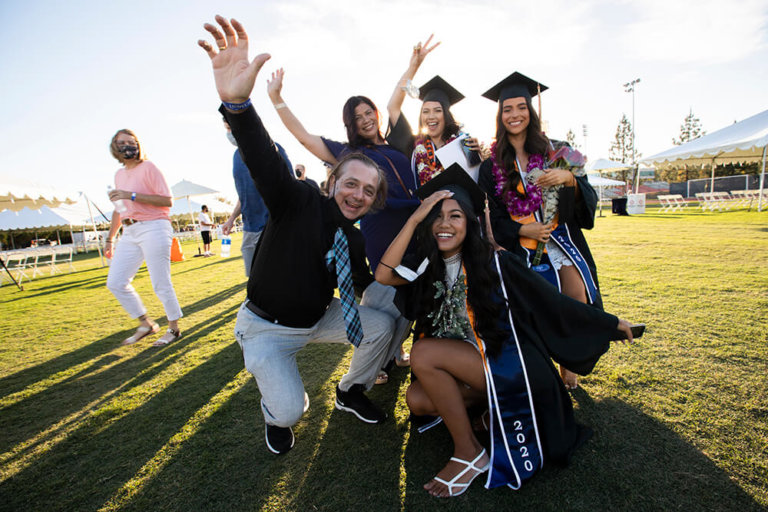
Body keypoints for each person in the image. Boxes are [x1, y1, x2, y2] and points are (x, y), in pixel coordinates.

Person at [198, 15, 399, 455]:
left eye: (368, 191)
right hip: (267, 327)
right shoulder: (298, 199)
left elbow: (367, 283)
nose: (357, 195)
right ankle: (278, 413)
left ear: (373, 201)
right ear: (332, 181)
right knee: (292, 411)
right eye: (351, 183)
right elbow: (265, 161)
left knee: (382, 324)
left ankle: (350, 391)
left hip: (319, 318)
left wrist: (414, 276)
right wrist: (239, 107)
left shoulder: (356, 237)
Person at [375, 165, 634, 497]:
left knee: (424, 353)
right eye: (436, 217)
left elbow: (553, 304)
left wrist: (610, 323)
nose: (444, 224)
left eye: (455, 216)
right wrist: (413, 219)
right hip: (468, 367)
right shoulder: (428, 268)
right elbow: (383, 274)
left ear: (470, 221)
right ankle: (487, 417)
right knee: (417, 399)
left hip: (511, 366)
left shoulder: (496, 263)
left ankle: (469, 452)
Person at [478, 72, 602, 390]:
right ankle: (541, 373)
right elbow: (488, 215)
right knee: (537, 310)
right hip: (522, 244)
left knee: (575, 302)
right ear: (500, 115)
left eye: (521, 107)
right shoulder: (491, 164)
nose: (515, 114)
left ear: (531, 112)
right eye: (508, 109)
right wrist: (523, 230)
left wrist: (569, 180)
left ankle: (569, 366)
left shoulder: (557, 151)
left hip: (561, 240)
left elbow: (588, 199)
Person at [105, 129, 183, 347]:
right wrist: (110, 238)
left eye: (132, 142)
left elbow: (168, 200)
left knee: (160, 282)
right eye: (122, 143)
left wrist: (131, 195)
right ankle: (145, 323)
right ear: (115, 147)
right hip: (130, 231)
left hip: (154, 226)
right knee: (116, 282)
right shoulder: (119, 175)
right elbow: (118, 209)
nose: (127, 146)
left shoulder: (149, 167)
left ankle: (173, 329)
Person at [386, 38, 484, 185]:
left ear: (445, 115)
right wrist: (414, 66)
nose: (431, 116)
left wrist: (480, 158)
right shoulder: (412, 144)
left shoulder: (462, 143)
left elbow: (477, 182)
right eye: (425, 111)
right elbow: (393, 107)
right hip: (423, 207)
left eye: (437, 110)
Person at [220, 117, 272, 276]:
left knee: (278, 276)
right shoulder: (237, 157)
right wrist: (231, 219)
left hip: (271, 225)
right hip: (250, 227)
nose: (229, 134)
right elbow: (244, 195)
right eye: (226, 130)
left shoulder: (269, 149)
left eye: (230, 129)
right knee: (253, 276)